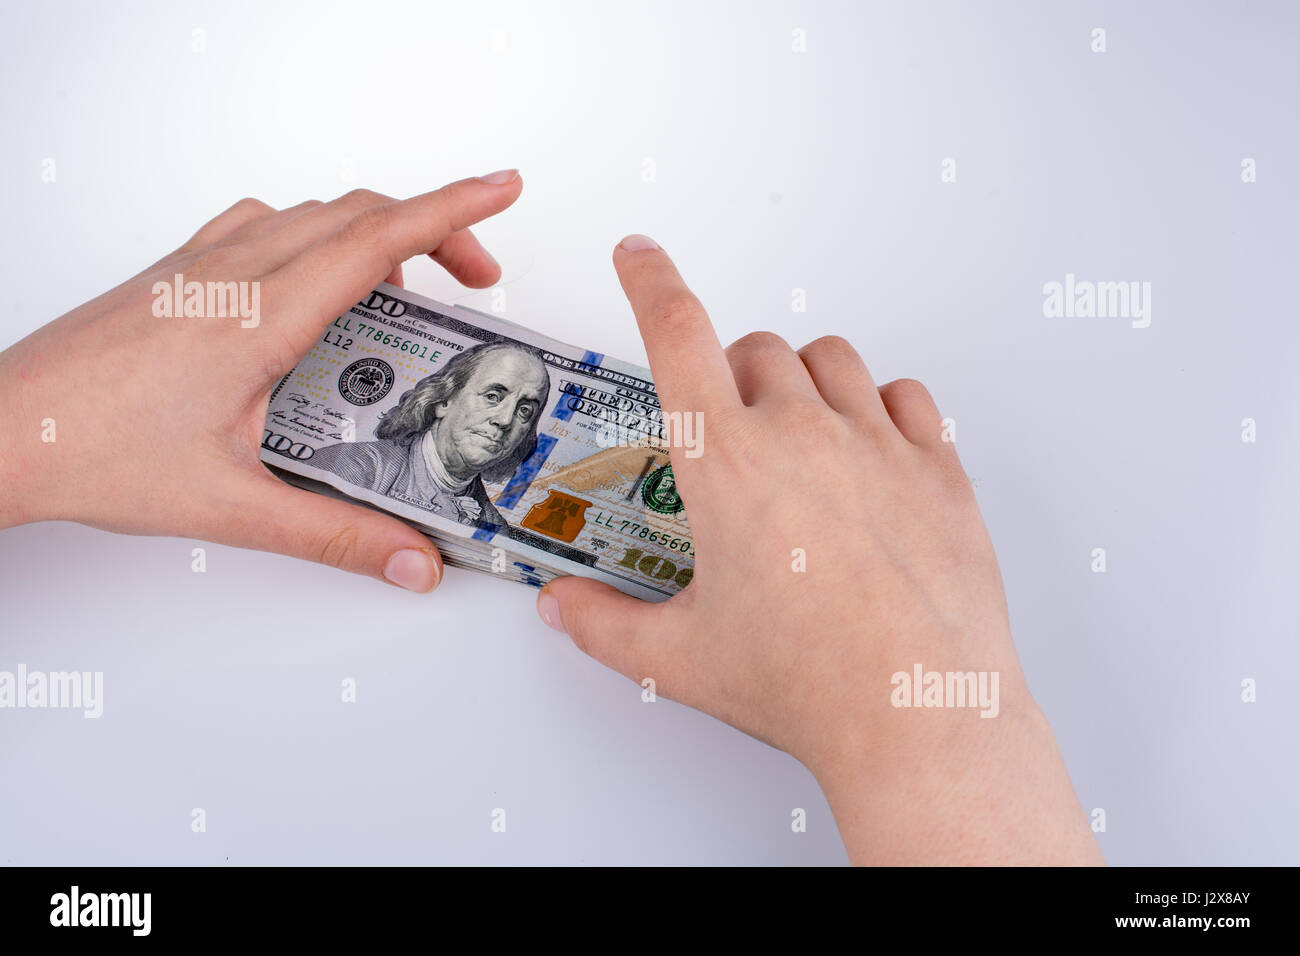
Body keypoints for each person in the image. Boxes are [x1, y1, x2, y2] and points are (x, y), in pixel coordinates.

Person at [0, 173, 1104, 865]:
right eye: (498, 392)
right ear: (436, 390)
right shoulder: (354, 457)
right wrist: (943, 744)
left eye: (531, 404)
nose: (520, 414)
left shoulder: (521, 494)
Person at [311, 341, 549, 528]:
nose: (505, 419)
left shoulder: (493, 527)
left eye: (525, 411)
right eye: (492, 397)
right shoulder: (353, 467)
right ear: (444, 400)